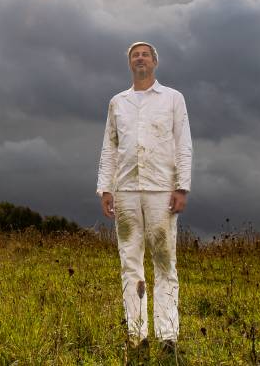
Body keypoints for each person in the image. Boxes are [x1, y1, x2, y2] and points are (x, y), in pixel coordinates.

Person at [96, 41, 192, 356]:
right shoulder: (117, 102)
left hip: (161, 189)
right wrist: (105, 188)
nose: (140, 58)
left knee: (164, 262)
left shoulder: (173, 98)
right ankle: (137, 338)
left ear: (154, 62)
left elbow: (183, 143)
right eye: (135, 55)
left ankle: (168, 338)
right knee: (130, 264)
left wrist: (182, 186)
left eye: (145, 54)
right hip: (125, 191)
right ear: (130, 63)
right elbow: (110, 146)